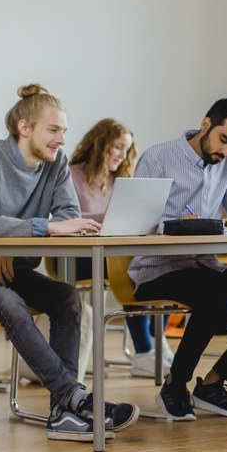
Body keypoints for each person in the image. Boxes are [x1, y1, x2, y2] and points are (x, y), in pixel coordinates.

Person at [0, 84, 140, 441]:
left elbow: (70, 214)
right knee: (10, 302)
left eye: (63, 131)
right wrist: (42, 227)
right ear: (25, 127)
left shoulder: (57, 165)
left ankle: (63, 412)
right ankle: (74, 397)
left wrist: (11, 244)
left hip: (13, 269)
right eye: (53, 130)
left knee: (67, 298)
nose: (62, 140)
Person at [129, 97, 227, 421]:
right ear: (206, 125)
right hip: (155, 268)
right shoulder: (158, 158)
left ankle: (214, 384)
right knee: (215, 300)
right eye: (224, 140)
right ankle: (175, 385)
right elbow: (137, 223)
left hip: (205, 265)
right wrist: (176, 225)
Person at [68, 118, 175, 378]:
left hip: (117, 253)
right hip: (80, 254)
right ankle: (144, 350)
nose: (121, 155)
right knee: (136, 266)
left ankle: (154, 343)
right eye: (117, 147)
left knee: (168, 263)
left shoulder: (122, 181)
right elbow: (67, 218)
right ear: (100, 143)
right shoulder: (71, 174)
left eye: (126, 150)